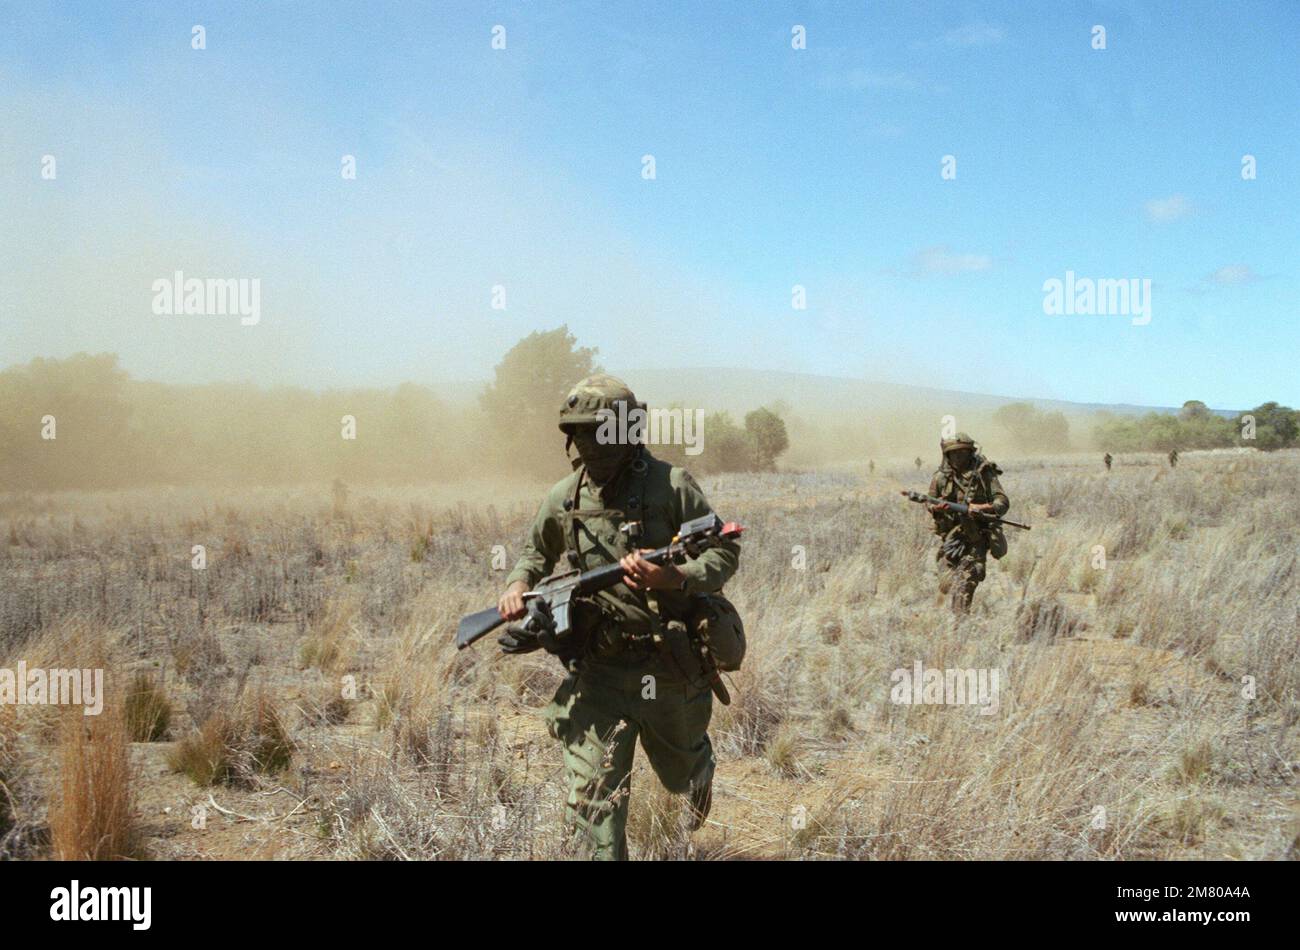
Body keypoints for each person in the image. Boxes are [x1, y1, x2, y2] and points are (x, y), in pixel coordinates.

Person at [497, 374, 741, 860]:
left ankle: (700, 773)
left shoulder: (671, 486)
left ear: (627, 431)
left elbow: (722, 552)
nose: (591, 443)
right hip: (597, 676)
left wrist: (671, 577)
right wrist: (517, 584)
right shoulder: (564, 498)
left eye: (600, 430)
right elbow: (533, 554)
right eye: (581, 433)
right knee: (594, 808)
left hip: (667, 671)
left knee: (681, 775)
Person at [926, 432, 1011, 612]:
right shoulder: (941, 477)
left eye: (961, 452)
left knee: (967, 579)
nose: (957, 457)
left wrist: (982, 508)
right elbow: (929, 500)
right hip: (951, 538)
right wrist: (936, 508)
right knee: (947, 580)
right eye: (953, 453)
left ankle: (960, 621)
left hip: (976, 536)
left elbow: (1002, 502)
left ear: (969, 452)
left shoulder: (984, 474)